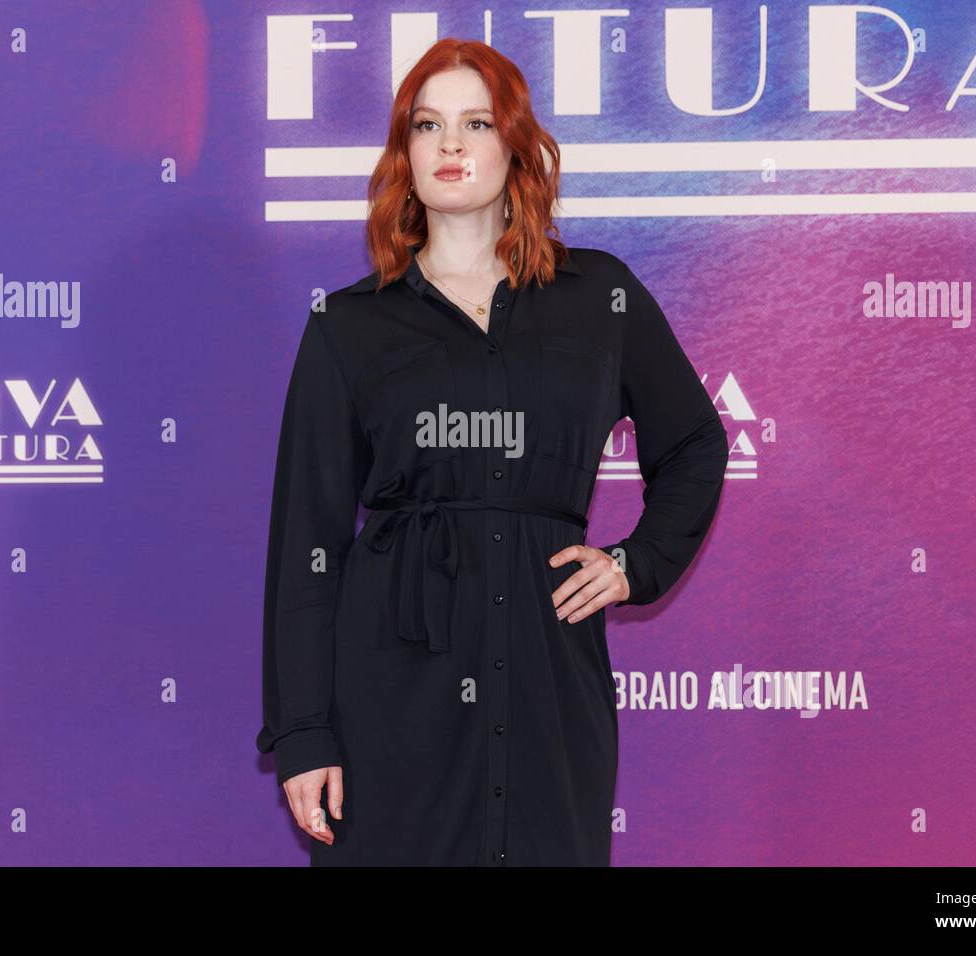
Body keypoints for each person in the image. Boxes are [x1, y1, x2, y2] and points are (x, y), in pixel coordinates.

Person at [256, 38, 729, 866]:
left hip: (549, 683)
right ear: (403, 152)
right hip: (391, 686)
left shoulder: (598, 299)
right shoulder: (349, 326)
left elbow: (693, 442)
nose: (450, 145)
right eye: (427, 125)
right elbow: (308, 549)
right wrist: (304, 731)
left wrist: (633, 562)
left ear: (514, 144)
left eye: (475, 123)